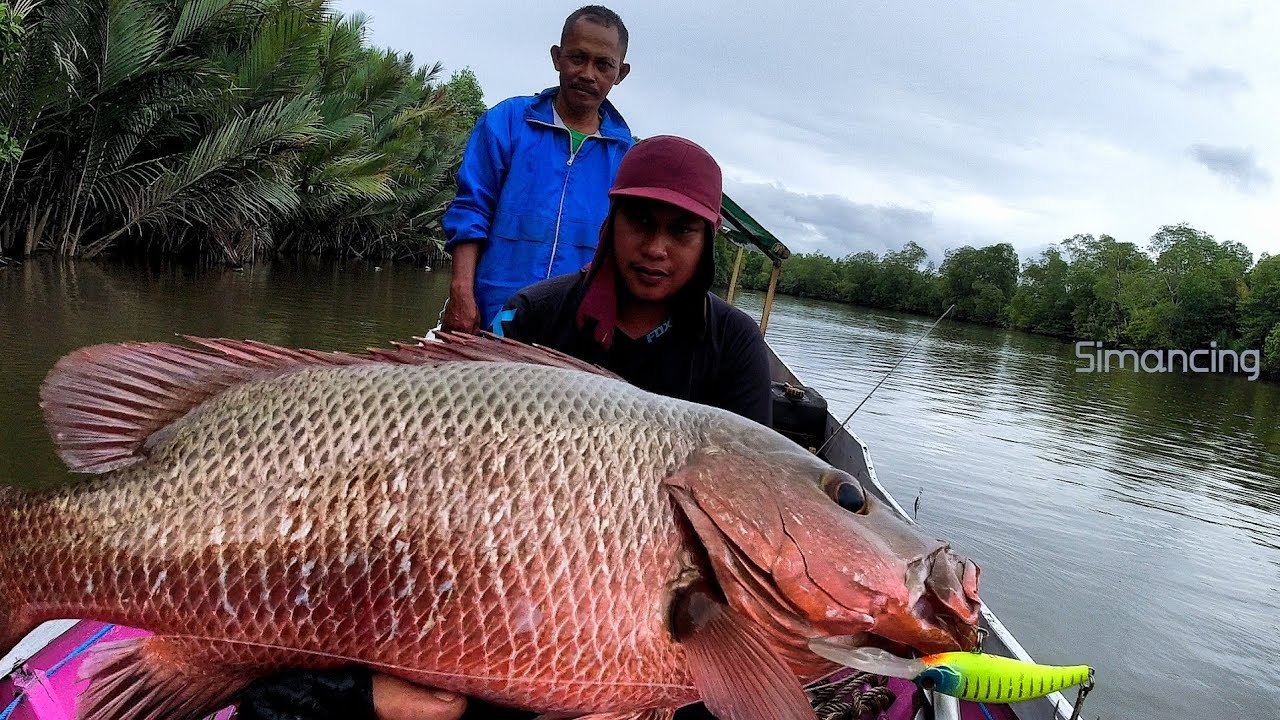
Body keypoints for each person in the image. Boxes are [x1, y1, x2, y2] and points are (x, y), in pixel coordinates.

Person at [494, 134, 773, 427]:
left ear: (707, 241)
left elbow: (751, 464)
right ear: (612, 221)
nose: (655, 249)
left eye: (681, 231)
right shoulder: (530, 314)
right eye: (640, 221)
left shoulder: (735, 342)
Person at [440, 5, 635, 334]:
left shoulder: (626, 157)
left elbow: (623, 253)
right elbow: (471, 210)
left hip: (572, 330)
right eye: (577, 58)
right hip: (492, 313)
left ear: (620, 73)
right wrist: (461, 293)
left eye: (603, 65)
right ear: (557, 57)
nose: (588, 73)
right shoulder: (506, 123)